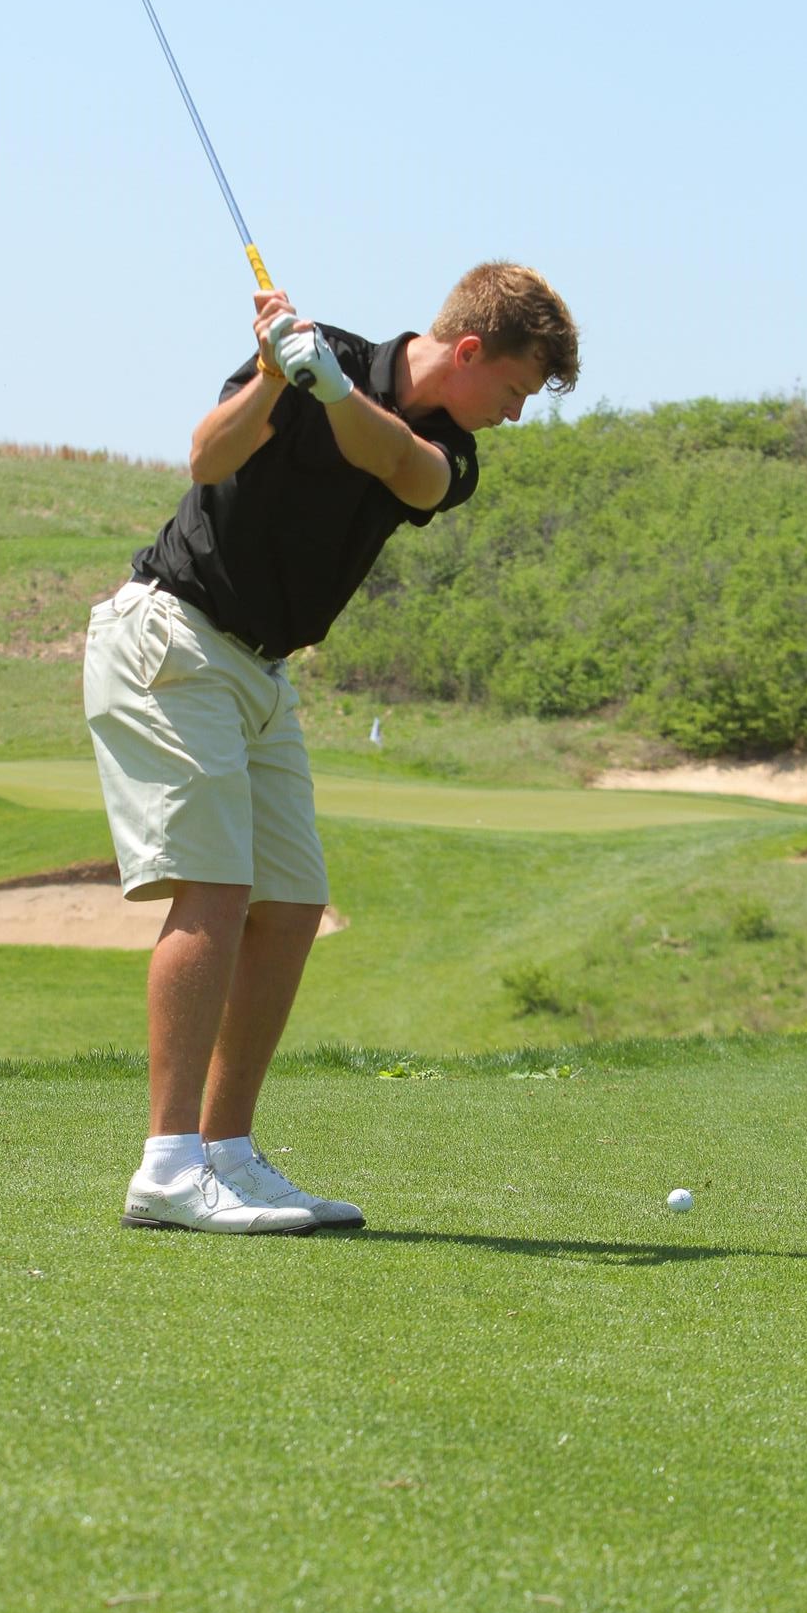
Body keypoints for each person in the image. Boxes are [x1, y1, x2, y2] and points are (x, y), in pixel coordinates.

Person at [83, 262, 580, 1233]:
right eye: (516, 391)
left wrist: (333, 391)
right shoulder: (317, 355)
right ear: (470, 351)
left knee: (295, 899)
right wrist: (277, 376)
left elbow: (405, 469)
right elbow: (206, 460)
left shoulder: (441, 443)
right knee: (217, 887)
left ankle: (227, 1151)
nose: (516, 415)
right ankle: (167, 1164)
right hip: (173, 634)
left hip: (262, 673)